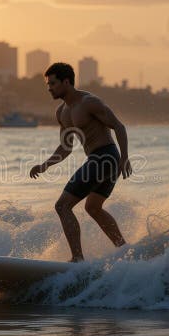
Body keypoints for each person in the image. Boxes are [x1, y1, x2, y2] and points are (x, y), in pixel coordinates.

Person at [29, 62, 132, 262]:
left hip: (105, 157)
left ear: (66, 82)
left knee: (62, 206)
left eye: (53, 83)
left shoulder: (89, 102)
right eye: (48, 84)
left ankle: (77, 258)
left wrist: (125, 158)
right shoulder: (62, 113)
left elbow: (119, 127)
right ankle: (124, 251)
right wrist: (45, 165)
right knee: (93, 208)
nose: (49, 88)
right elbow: (66, 147)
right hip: (102, 160)